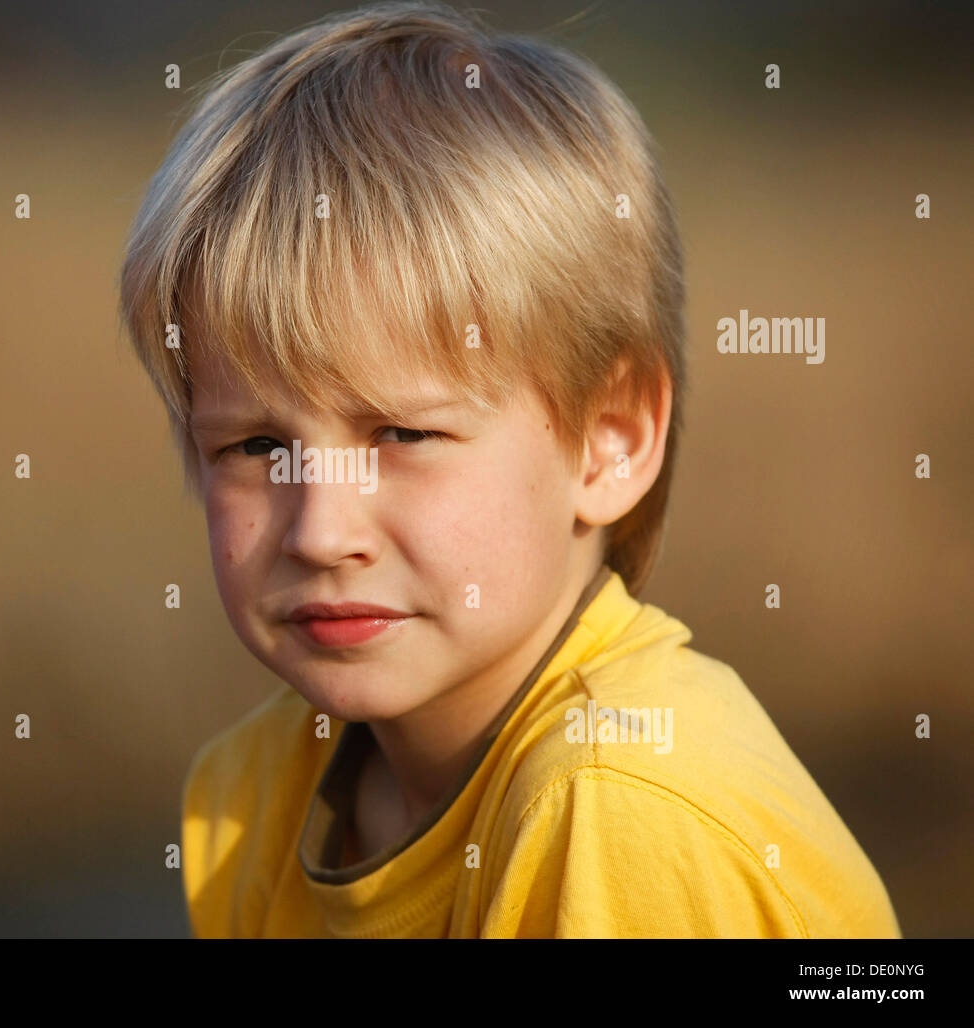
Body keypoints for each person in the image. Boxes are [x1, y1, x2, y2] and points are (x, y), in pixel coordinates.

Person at [117, 0, 901, 938]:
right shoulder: (250, 795)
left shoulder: (619, 812)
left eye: (402, 436)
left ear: (609, 438)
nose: (321, 531)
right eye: (256, 447)